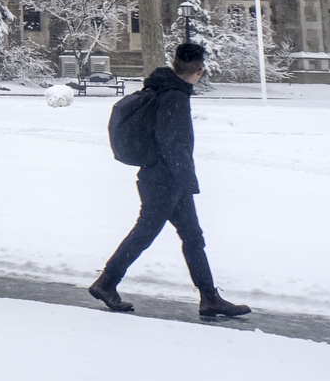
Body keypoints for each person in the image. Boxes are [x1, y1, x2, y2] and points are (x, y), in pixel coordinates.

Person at [89, 41, 251, 319]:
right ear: (199, 72)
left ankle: (209, 298)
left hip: (163, 177)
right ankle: (106, 282)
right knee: (146, 233)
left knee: (192, 237)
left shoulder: (160, 87)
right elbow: (173, 144)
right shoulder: (174, 96)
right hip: (166, 179)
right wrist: (187, 180)